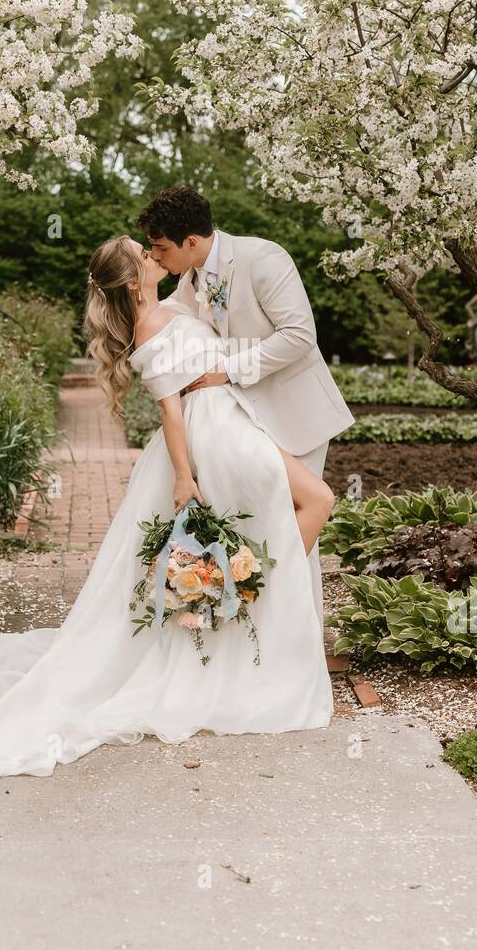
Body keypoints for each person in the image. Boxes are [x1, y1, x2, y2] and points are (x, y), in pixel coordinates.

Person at [0, 233, 337, 780]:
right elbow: (171, 411)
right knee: (315, 501)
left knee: (275, 522)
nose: (155, 257)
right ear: (135, 281)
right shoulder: (151, 325)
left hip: (232, 422)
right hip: (218, 436)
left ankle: (242, 607)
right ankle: (247, 610)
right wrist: (184, 476)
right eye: (145, 256)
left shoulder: (176, 303)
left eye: (153, 249)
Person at [136, 185, 355, 624]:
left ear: (191, 241)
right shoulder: (188, 278)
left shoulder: (263, 259)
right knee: (262, 520)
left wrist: (228, 371)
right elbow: (163, 319)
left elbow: (298, 336)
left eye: (161, 247)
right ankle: (258, 626)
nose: (156, 255)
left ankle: (286, 628)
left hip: (292, 414)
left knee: (297, 516)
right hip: (243, 421)